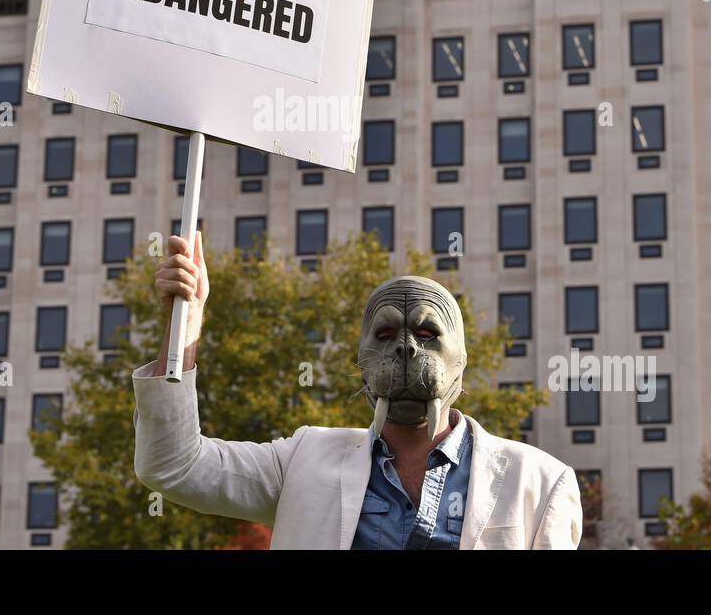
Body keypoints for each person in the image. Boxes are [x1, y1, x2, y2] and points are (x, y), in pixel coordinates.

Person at [132, 233, 583, 549]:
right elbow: (175, 466)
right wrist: (185, 324)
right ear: (360, 363)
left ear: (461, 360)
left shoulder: (539, 482)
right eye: (384, 335)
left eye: (427, 334)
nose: (406, 347)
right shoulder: (300, 462)